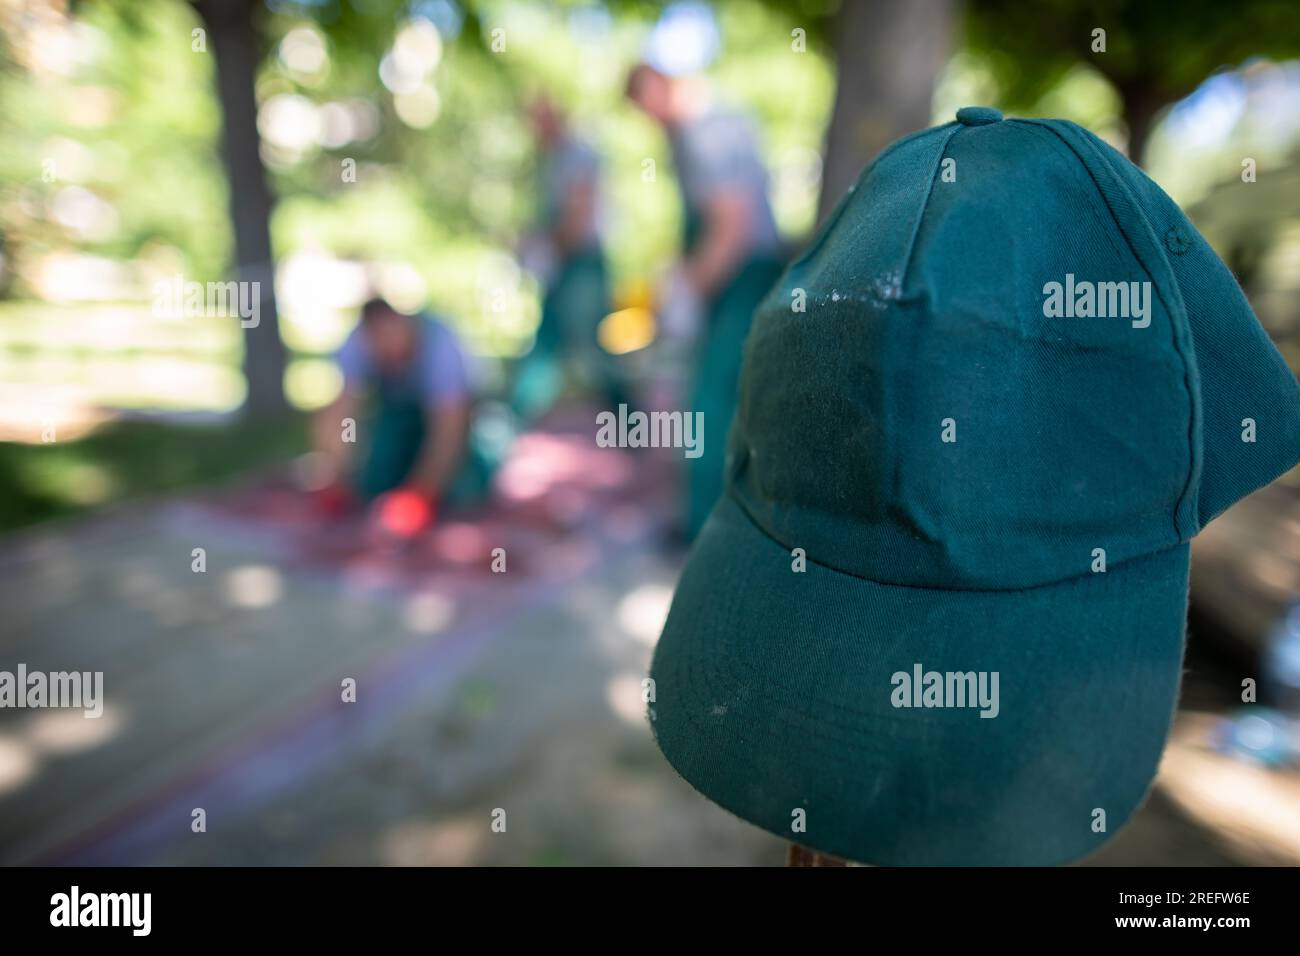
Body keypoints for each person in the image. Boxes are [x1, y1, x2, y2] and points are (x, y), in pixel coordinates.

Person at [625, 63, 785, 540]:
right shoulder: (707, 129)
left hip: (740, 281)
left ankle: (709, 528)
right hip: (737, 280)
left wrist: (687, 289)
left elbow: (730, 227)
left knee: (709, 402)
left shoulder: (703, 134)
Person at [314, 297, 485, 536]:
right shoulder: (357, 343)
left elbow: (449, 428)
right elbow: (341, 414)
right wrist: (336, 473)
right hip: (396, 415)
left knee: (464, 489)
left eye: (392, 339)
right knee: (375, 482)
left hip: (455, 416)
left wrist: (422, 494)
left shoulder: (441, 346)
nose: (388, 350)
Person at [513, 95, 624, 420]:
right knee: (548, 346)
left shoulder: (576, 154)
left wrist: (545, 249)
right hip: (565, 267)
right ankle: (513, 423)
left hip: (582, 265)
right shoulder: (552, 161)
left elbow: (577, 217)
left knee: (592, 351)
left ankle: (631, 425)